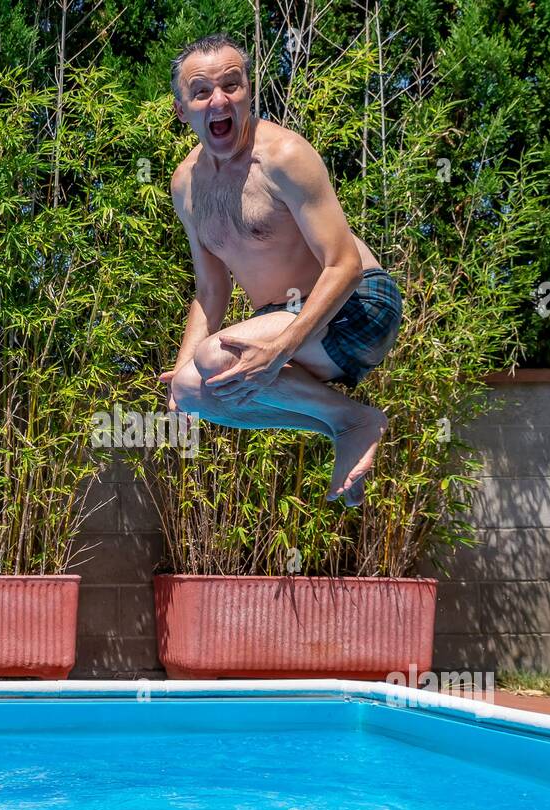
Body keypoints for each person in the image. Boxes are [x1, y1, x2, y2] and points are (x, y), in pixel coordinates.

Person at [161, 34, 403, 506]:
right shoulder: (185, 185)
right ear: (181, 109)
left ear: (249, 90)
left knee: (215, 359)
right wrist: (178, 371)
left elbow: (345, 264)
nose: (220, 100)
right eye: (203, 91)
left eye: (232, 85)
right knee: (194, 388)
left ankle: (351, 421)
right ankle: (347, 423)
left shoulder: (284, 157)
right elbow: (211, 289)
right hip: (288, 320)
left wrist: (278, 350)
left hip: (358, 305)